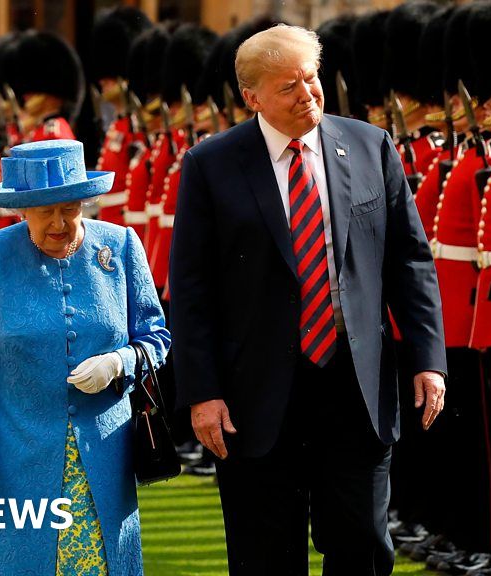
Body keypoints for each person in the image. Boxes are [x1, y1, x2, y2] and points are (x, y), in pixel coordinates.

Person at [169, 23, 447, 576]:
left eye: (311, 78)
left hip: (355, 384)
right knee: (266, 555)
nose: (307, 94)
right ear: (252, 98)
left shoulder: (370, 146)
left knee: (362, 546)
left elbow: (409, 261)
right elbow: (192, 290)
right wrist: (202, 393)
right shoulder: (211, 165)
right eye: (288, 86)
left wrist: (428, 360)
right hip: (255, 393)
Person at [0, 139, 171, 576]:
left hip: (105, 456)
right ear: (21, 211)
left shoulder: (121, 245)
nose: (58, 223)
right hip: (17, 458)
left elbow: (156, 336)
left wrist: (119, 362)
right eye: (44, 211)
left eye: (69, 208)